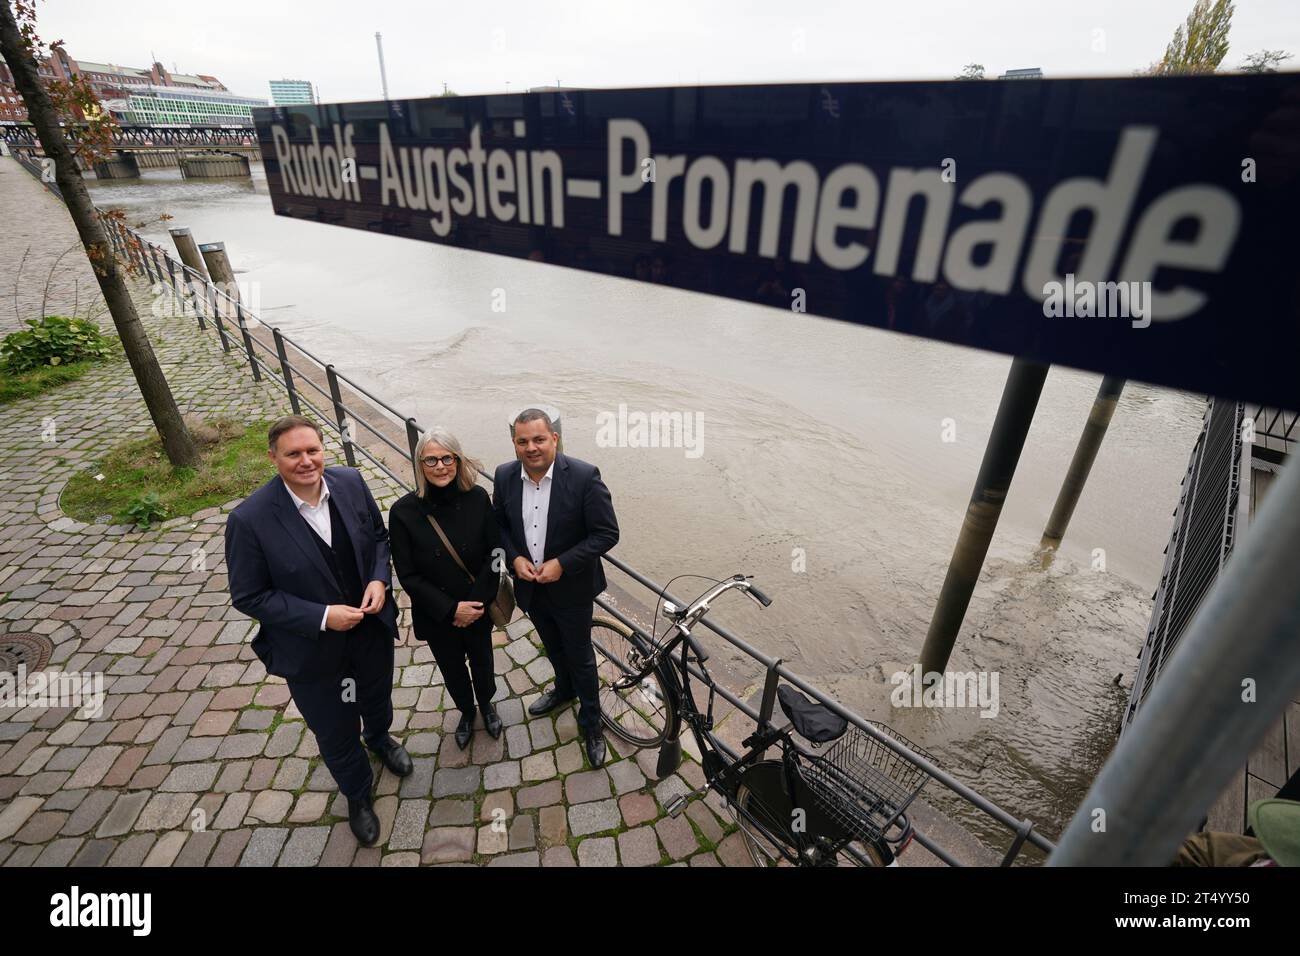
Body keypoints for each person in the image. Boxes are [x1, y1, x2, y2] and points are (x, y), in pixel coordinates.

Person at [224, 415, 412, 847]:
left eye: (313, 450)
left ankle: (380, 738)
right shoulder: (249, 520)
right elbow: (249, 595)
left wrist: (379, 579)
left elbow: (378, 537)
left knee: (376, 695)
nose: (306, 461)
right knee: (334, 727)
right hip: (312, 651)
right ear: (273, 458)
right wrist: (323, 616)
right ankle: (358, 794)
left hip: (369, 632)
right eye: (293, 454)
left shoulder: (351, 482)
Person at [493, 408, 620, 768]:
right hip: (531, 589)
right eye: (523, 441)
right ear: (514, 443)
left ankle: (591, 722)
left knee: (581, 657)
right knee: (551, 645)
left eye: (538, 439)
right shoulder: (504, 476)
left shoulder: (583, 476)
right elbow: (498, 526)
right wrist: (514, 558)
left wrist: (562, 563)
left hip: (572, 590)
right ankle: (564, 691)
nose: (531, 447)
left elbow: (607, 533)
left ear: (554, 439)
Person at [389, 429, 502, 751]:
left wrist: (475, 604)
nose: (440, 466)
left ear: (457, 460)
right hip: (438, 613)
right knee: (452, 667)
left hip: (476, 607)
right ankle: (466, 711)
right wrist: (452, 610)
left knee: (483, 661)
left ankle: (487, 705)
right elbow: (408, 575)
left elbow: (495, 554)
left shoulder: (478, 498)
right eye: (431, 460)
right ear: (420, 464)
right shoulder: (403, 512)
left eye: (446, 458)